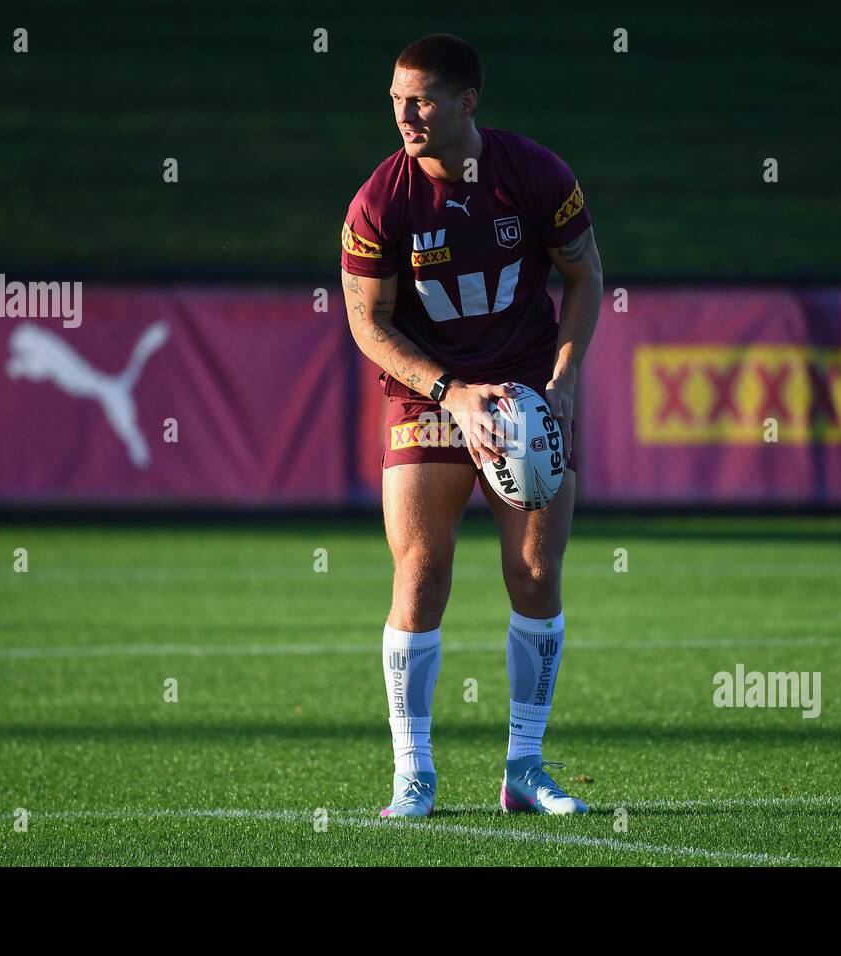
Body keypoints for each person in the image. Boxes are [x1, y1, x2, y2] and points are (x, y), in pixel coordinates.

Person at [339, 33, 604, 817]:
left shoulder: (535, 174)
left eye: (418, 99)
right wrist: (448, 389)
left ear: (467, 101)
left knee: (535, 576)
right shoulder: (379, 201)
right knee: (420, 574)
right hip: (428, 397)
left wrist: (563, 377)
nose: (403, 113)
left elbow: (585, 276)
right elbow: (368, 322)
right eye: (395, 98)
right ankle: (413, 774)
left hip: (524, 390)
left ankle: (524, 766)